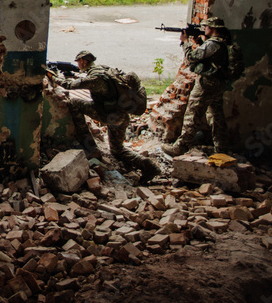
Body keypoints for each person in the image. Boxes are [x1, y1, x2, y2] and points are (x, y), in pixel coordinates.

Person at [46, 50, 160, 183]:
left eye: (78, 62)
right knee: (117, 150)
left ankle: (88, 144)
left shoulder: (95, 78)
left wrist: (52, 76)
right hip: (122, 115)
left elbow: (69, 85)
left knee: (74, 103)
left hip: (109, 116)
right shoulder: (103, 69)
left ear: (83, 61)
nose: (77, 65)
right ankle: (148, 166)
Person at [163, 16, 231, 156]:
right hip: (218, 83)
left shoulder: (212, 43)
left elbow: (192, 57)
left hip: (206, 83)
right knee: (216, 117)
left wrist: (186, 43)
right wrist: (198, 41)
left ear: (212, 28)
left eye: (206, 26)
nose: (204, 29)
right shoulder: (221, 42)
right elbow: (207, 56)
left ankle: (181, 147)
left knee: (192, 114)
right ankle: (221, 148)